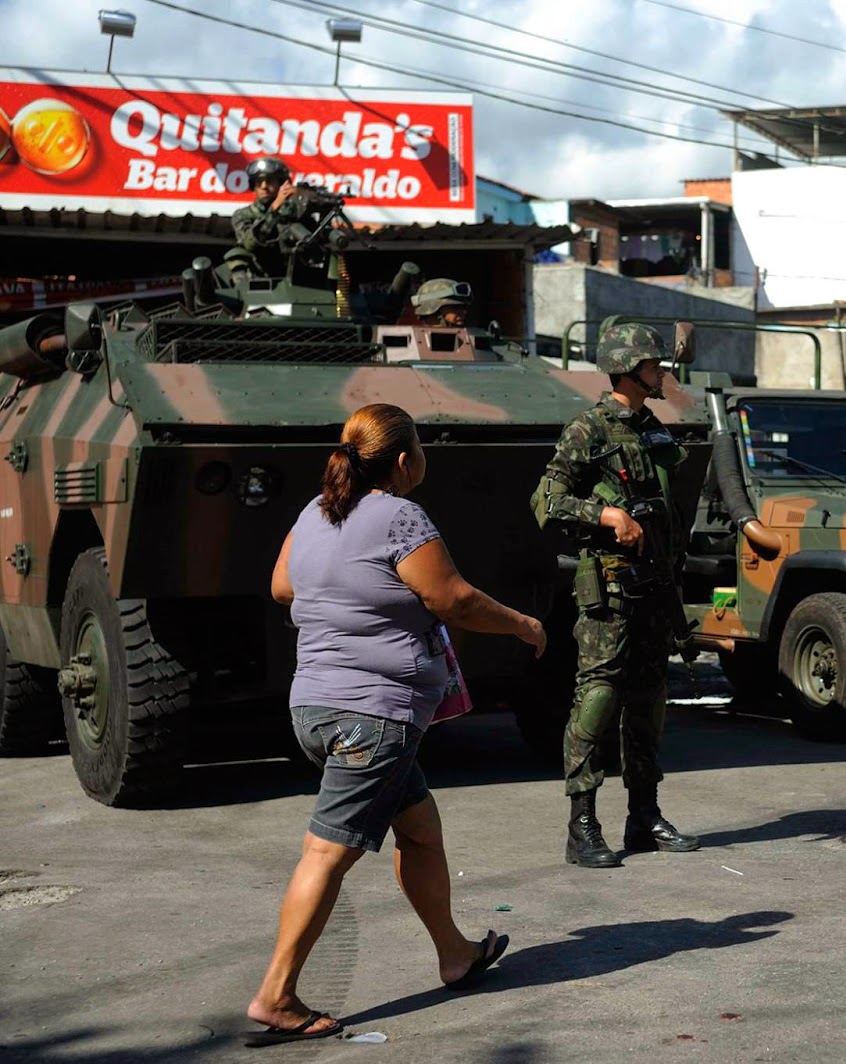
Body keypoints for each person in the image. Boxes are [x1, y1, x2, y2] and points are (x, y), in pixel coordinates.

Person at [247, 403, 547, 1046]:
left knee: (420, 831)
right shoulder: (400, 515)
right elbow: (454, 599)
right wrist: (523, 625)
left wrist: (347, 598)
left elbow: (281, 586)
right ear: (405, 460)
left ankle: (455, 953)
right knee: (327, 853)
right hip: (373, 716)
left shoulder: (315, 511)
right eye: (422, 447)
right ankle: (276, 994)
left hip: (316, 707)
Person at [533, 322, 700, 867]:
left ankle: (644, 816)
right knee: (598, 698)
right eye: (655, 366)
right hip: (609, 589)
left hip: (654, 586)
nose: (663, 374)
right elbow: (545, 501)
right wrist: (604, 514)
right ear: (629, 368)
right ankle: (582, 826)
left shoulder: (652, 429)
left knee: (649, 702)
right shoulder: (589, 430)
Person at [224, 157, 313, 283]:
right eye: (259, 182)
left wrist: (303, 199)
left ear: (282, 185)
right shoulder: (243, 215)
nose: (264, 186)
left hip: (297, 283)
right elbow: (251, 243)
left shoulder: (294, 214)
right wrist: (275, 207)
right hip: (258, 282)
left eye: (270, 181)